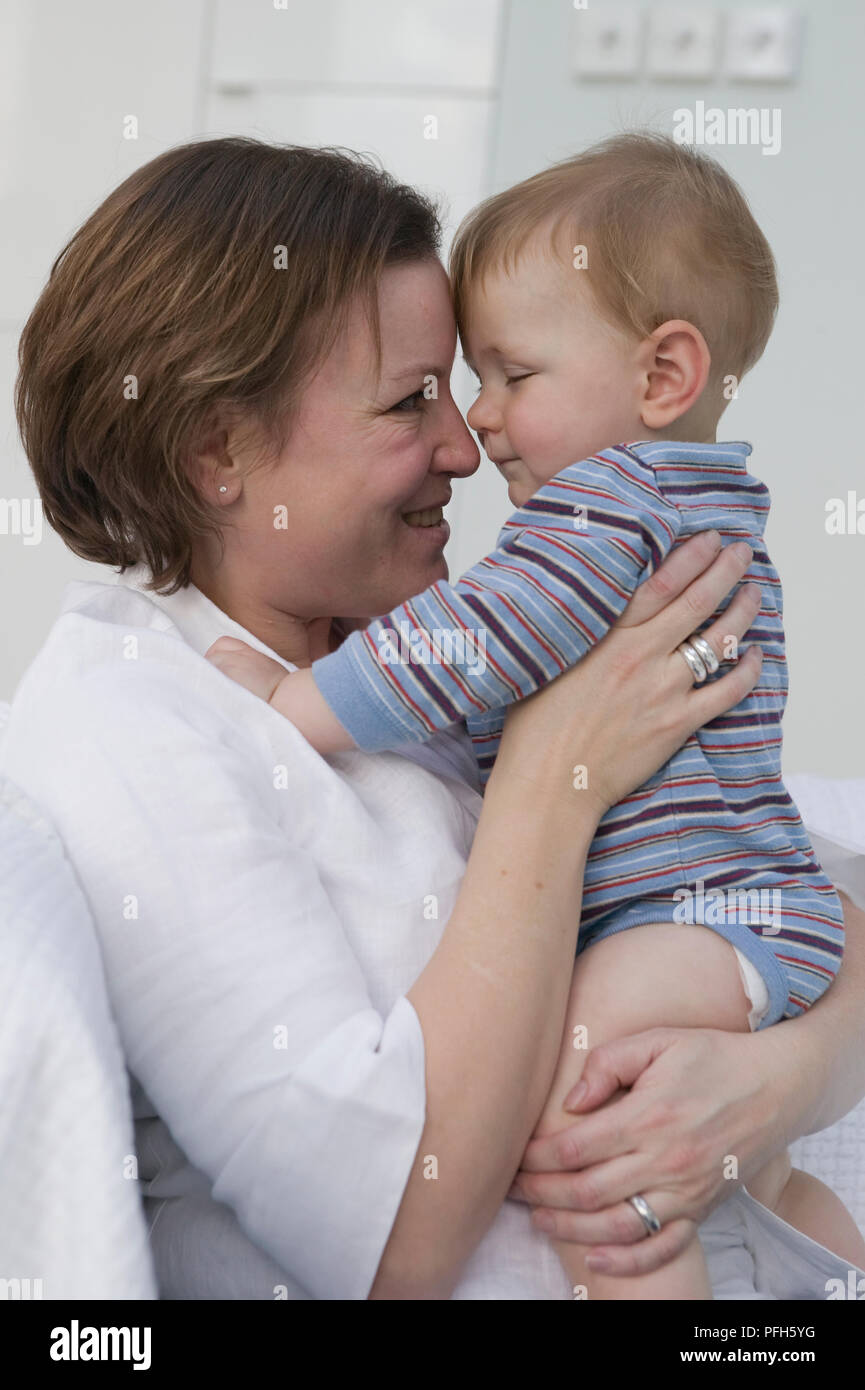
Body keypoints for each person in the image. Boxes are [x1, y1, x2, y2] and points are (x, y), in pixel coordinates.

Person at [5, 136, 865, 1300]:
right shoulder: (137, 726)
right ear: (219, 449)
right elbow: (398, 1239)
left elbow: (815, 904)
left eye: (472, 385)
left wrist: (782, 1081)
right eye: (412, 399)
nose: (467, 445)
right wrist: (555, 776)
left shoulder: (414, 653)